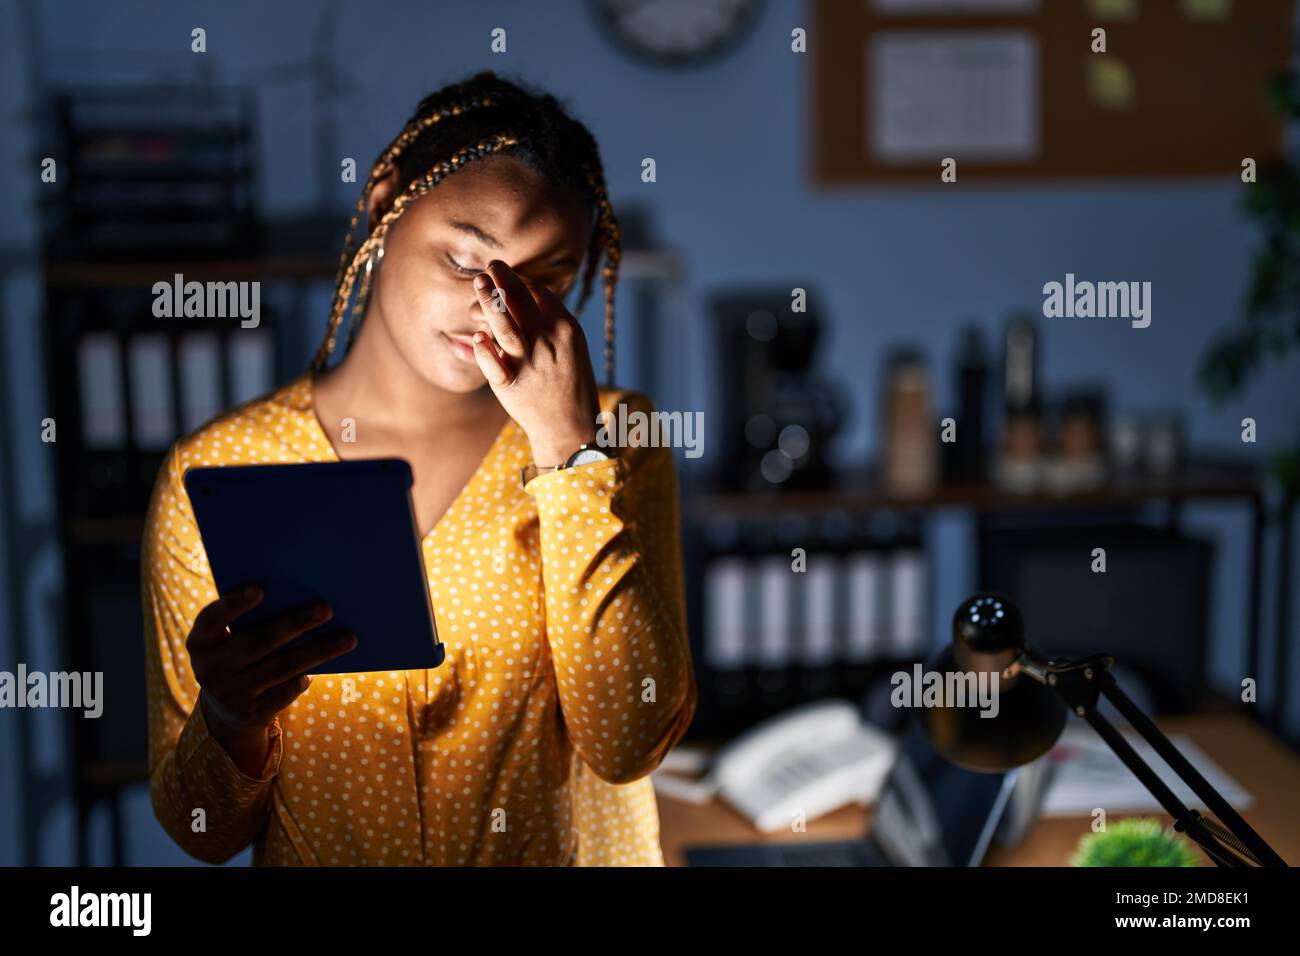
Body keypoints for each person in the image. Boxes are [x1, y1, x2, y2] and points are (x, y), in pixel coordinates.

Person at [141, 70, 697, 866]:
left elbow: (631, 745)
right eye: (468, 261)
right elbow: (203, 832)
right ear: (384, 202)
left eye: (544, 283)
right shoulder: (221, 469)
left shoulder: (616, 437)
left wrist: (569, 456)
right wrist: (230, 722)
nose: (494, 311)